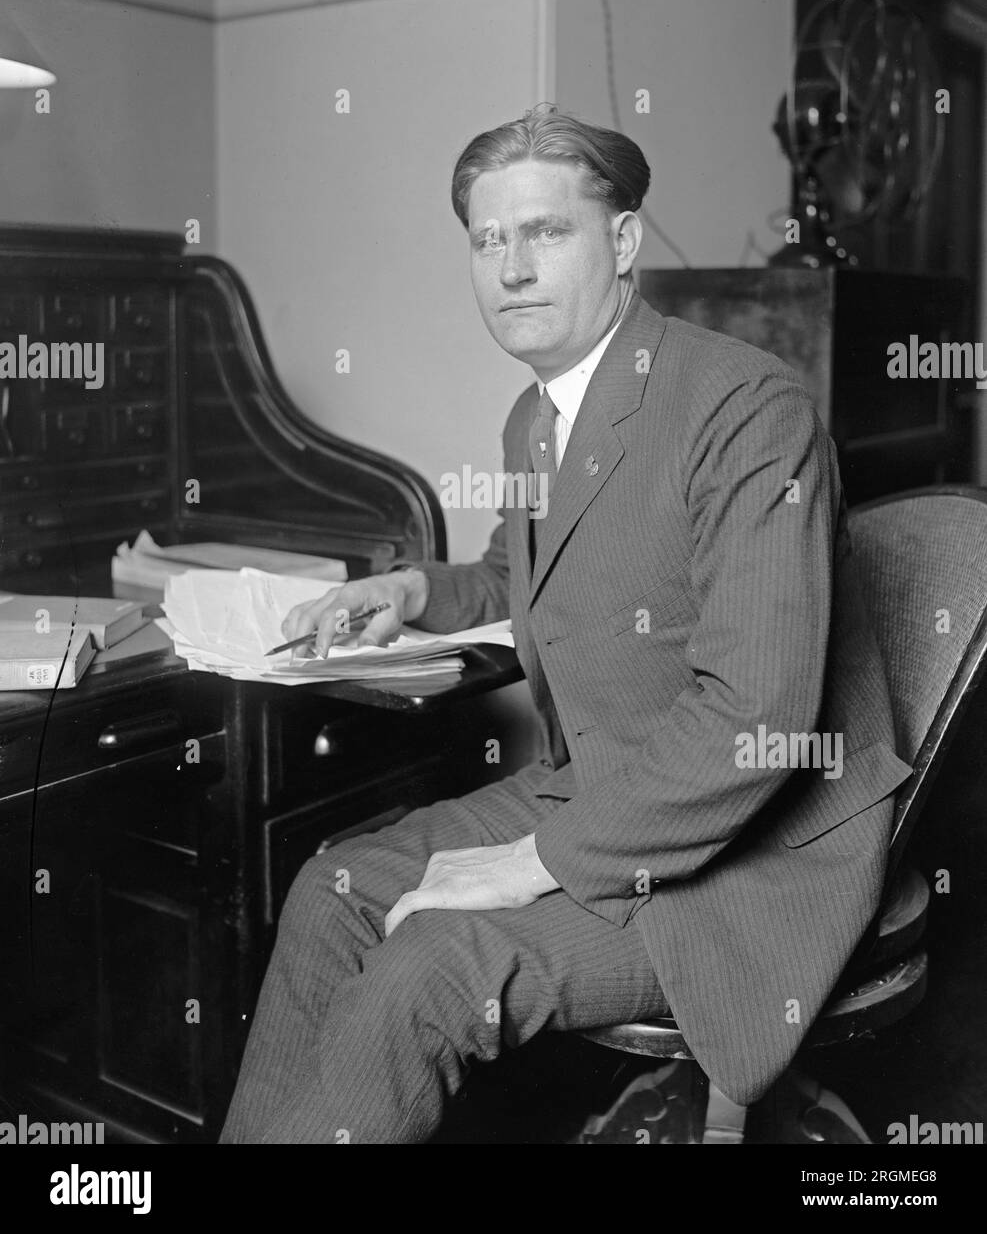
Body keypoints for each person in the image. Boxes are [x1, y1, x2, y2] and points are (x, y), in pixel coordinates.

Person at [220, 107, 911, 1144]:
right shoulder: (537, 415)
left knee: (427, 968)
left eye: (546, 231)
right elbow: (525, 569)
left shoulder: (746, 408)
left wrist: (533, 858)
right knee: (334, 887)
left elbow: (753, 720)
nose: (511, 267)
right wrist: (409, 591)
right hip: (602, 783)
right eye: (488, 239)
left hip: (750, 852)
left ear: (623, 242)